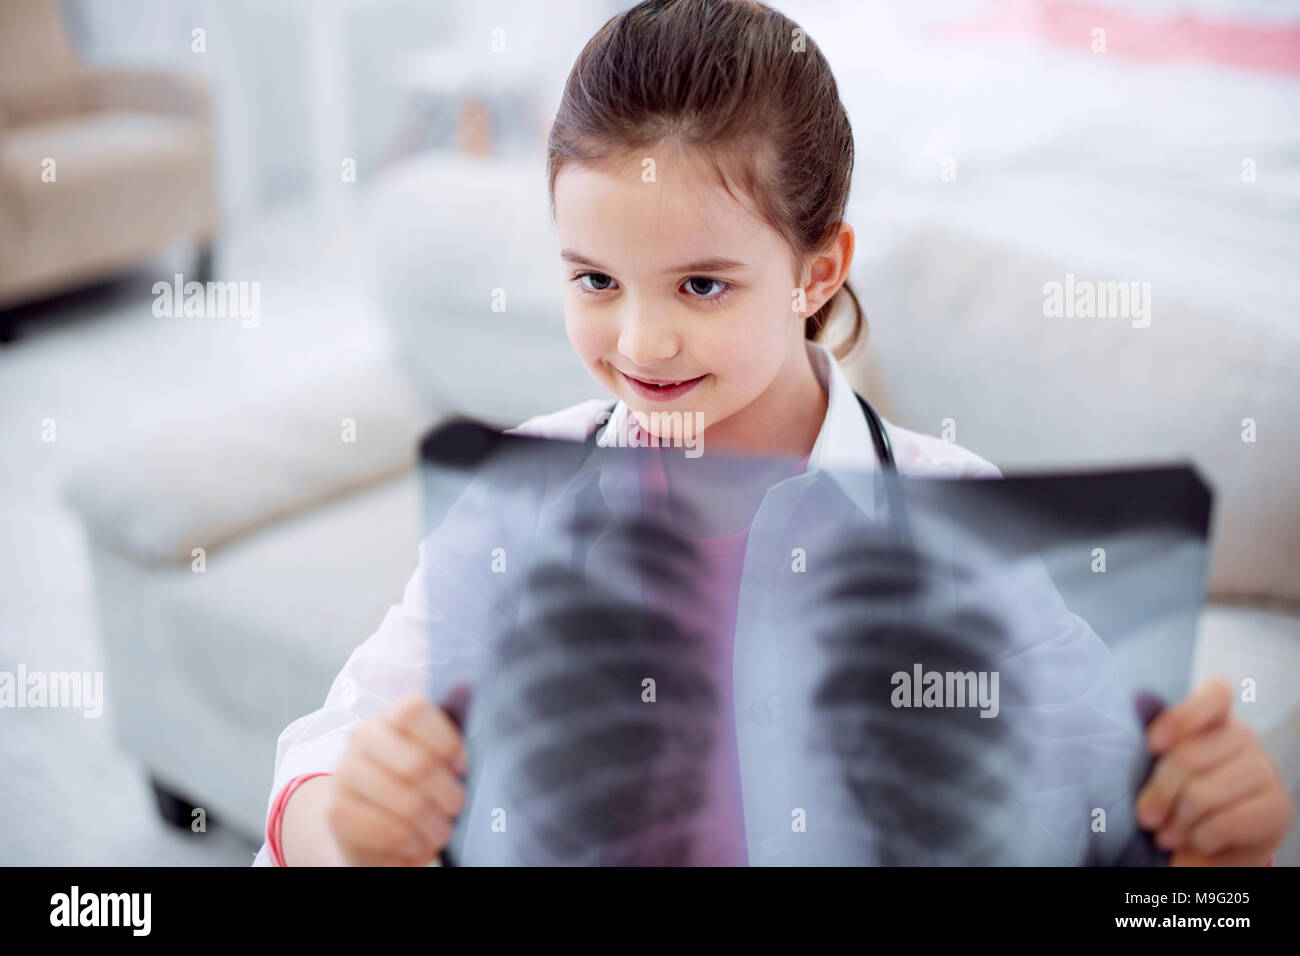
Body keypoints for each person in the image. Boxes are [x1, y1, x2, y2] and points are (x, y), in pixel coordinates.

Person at [254, 0, 1292, 866]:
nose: (640, 339)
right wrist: (348, 824)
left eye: (702, 283)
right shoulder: (518, 505)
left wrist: (1204, 831)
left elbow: (1106, 814)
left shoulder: (961, 521)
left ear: (818, 270)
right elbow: (326, 755)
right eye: (595, 280)